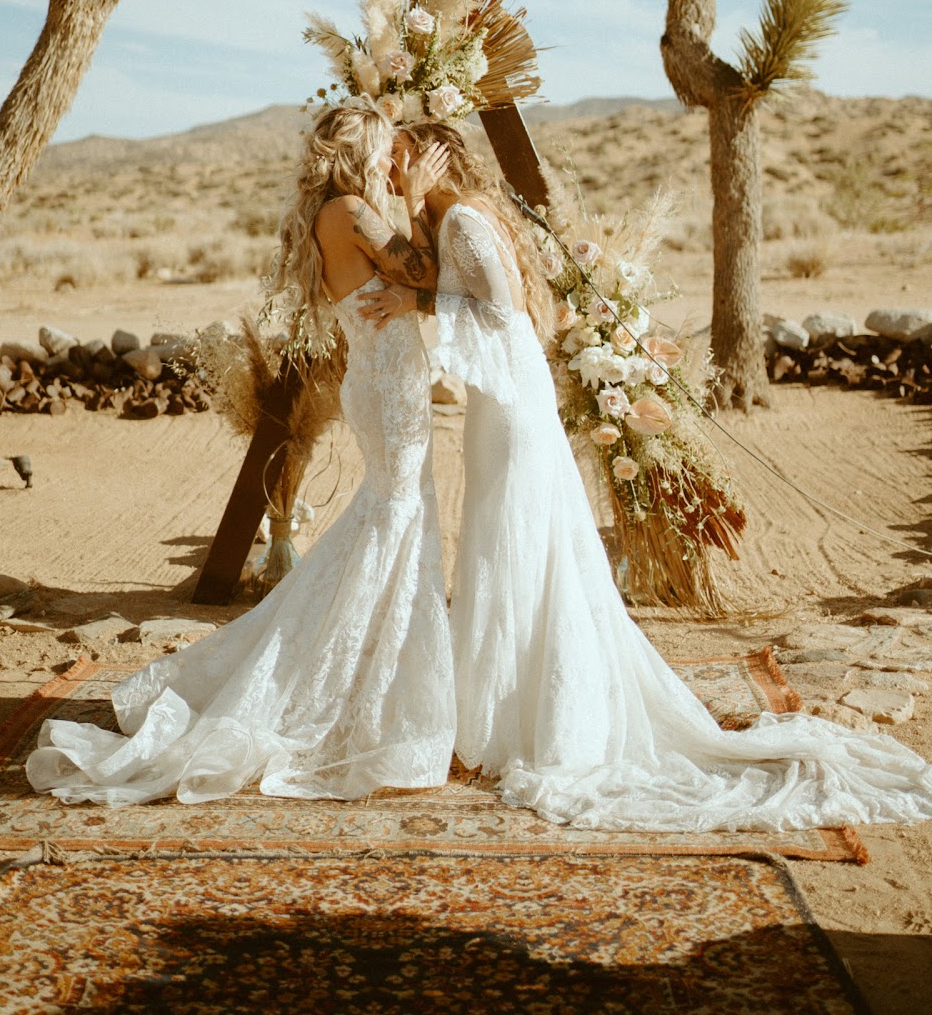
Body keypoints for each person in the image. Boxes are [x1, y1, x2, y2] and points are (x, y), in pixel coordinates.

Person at [363, 120, 932, 832]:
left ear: (431, 154)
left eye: (397, 157)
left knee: (508, 538)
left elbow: (502, 316)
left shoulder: (470, 220)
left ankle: (517, 720)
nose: (386, 168)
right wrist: (413, 212)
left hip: (510, 406)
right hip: (498, 403)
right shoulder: (445, 215)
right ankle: (492, 709)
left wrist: (414, 302)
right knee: (498, 536)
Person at [26, 100, 457, 806]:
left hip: (387, 382)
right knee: (390, 521)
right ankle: (338, 686)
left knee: (392, 521)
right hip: (385, 386)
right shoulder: (351, 211)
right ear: (360, 155)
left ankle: (378, 677)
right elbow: (422, 273)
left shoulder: (340, 208)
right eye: (383, 150)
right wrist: (413, 199)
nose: (390, 162)